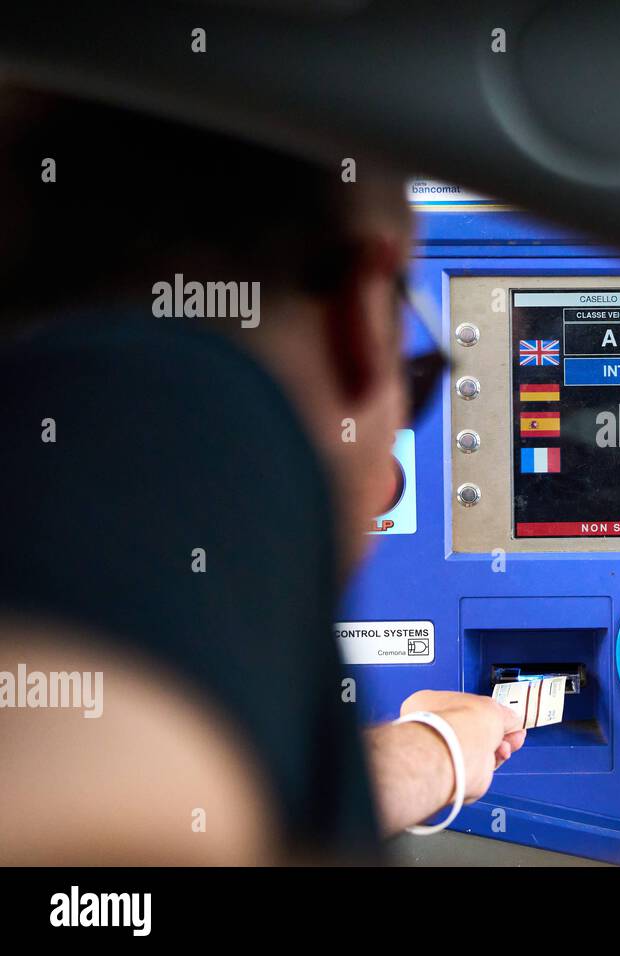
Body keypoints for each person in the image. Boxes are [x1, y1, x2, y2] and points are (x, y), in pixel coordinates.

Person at [0, 87, 524, 863]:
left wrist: (435, 750)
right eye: (413, 384)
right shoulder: (161, 397)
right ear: (358, 311)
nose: (387, 487)